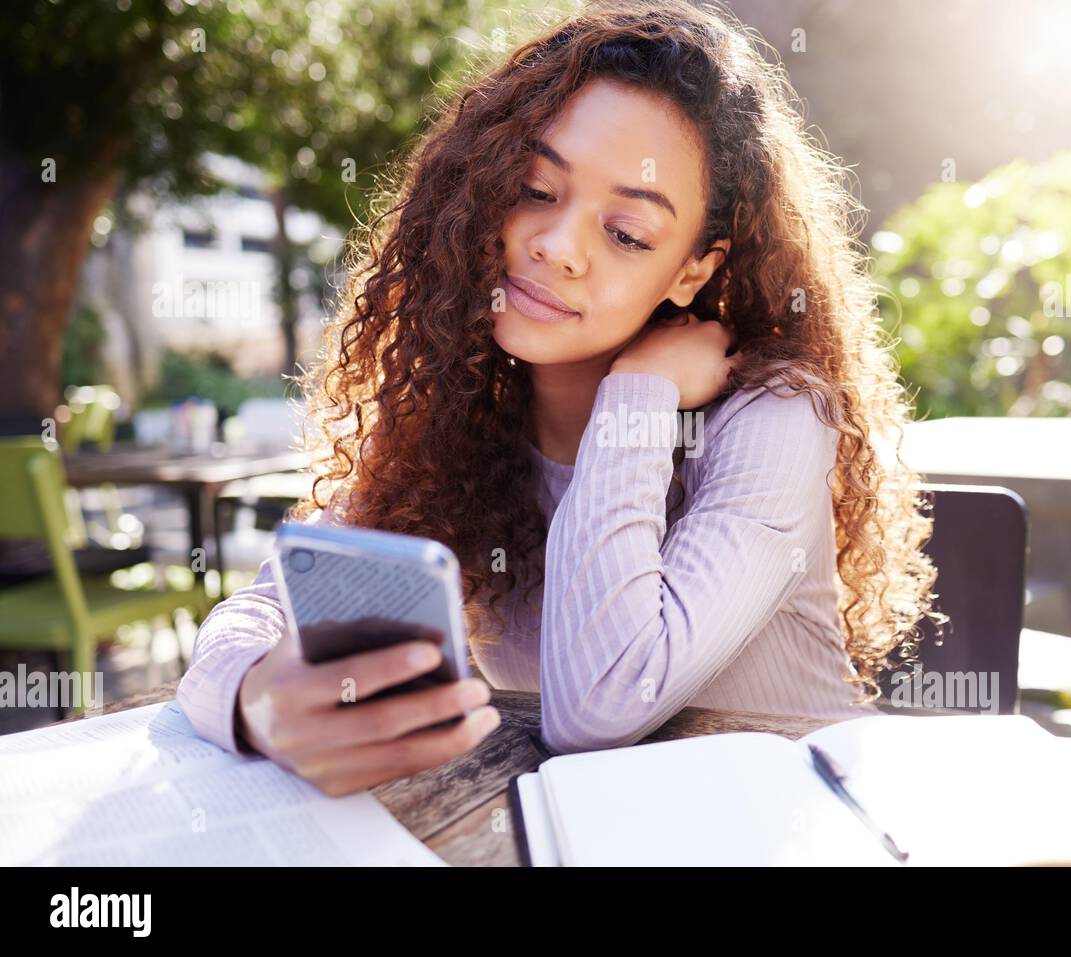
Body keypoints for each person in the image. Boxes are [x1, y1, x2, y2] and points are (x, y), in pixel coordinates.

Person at [177, 0, 939, 797]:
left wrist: (637, 394)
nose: (557, 245)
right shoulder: (461, 421)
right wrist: (260, 695)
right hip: (573, 832)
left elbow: (600, 704)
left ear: (691, 271)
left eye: (628, 234)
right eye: (536, 189)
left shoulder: (777, 415)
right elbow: (260, 610)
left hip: (792, 829)